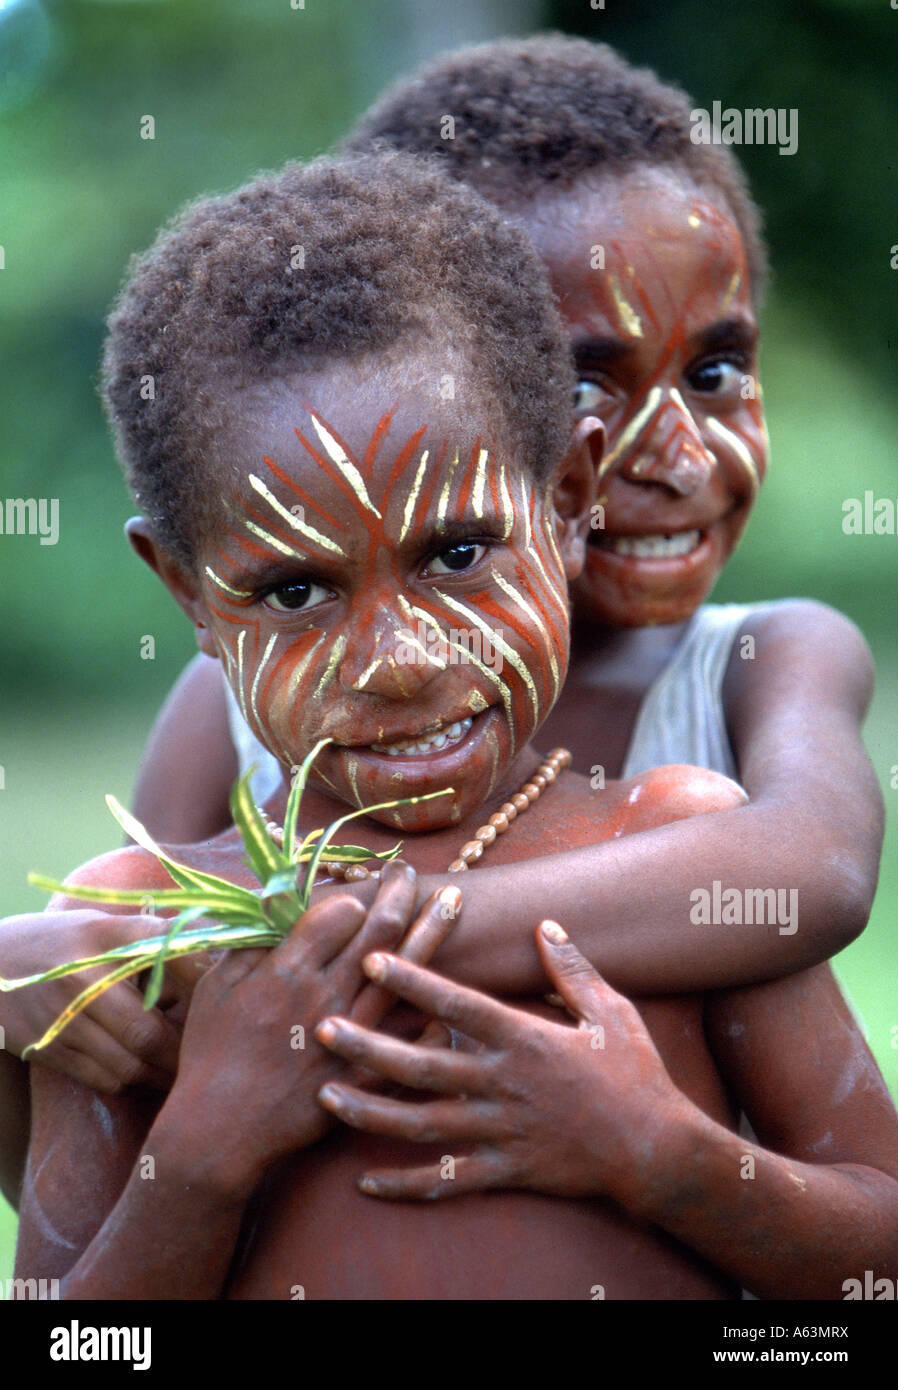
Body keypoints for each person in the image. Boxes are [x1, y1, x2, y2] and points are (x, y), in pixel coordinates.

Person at [14, 155, 898, 1300]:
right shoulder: (133, 944)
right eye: (295, 591)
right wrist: (200, 1158)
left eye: (459, 554)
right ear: (186, 593)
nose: (399, 663)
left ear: (571, 501)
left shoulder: (670, 845)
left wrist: (661, 1156)